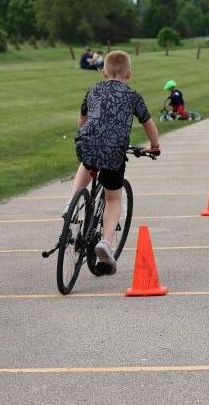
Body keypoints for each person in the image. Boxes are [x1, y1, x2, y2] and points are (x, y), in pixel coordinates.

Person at [68, 51, 160, 275]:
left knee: (86, 163)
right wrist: (154, 146)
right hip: (113, 149)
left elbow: (83, 118)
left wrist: (86, 132)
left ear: (103, 71)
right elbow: (148, 124)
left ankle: (71, 205)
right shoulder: (133, 96)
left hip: (88, 141)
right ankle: (106, 243)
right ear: (128, 73)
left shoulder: (94, 89)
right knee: (113, 198)